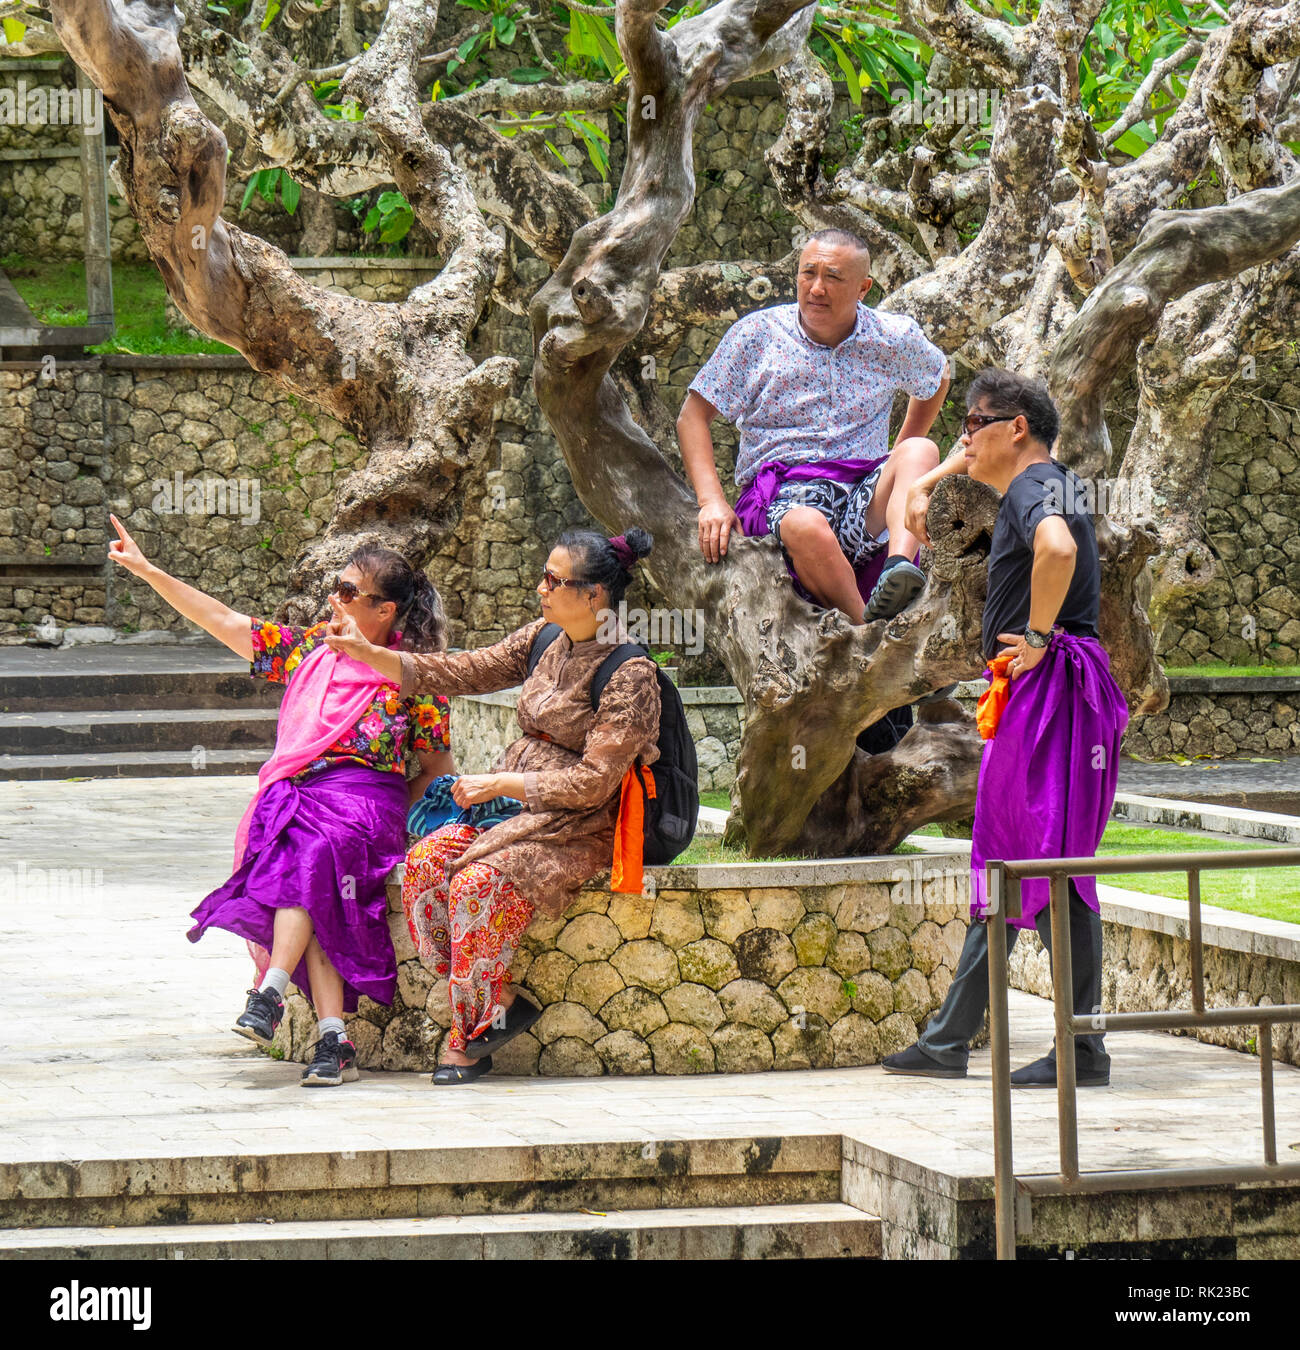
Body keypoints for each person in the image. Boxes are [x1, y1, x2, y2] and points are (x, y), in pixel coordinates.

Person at [107, 516, 454, 1087]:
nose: (332, 600)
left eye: (347, 592)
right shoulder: (309, 652)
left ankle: (271, 994)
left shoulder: (415, 679)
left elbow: (439, 771)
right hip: (304, 797)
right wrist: (148, 572)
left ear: (384, 611)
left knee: (312, 847)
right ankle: (333, 1040)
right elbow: (222, 620)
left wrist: (393, 810)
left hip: (370, 806)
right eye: (335, 588)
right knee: (306, 854)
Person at [326, 528, 663, 1085]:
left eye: (554, 580)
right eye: (544, 575)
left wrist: (503, 783)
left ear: (594, 595)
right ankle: (497, 995)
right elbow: (463, 671)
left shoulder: (630, 674)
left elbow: (595, 783)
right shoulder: (544, 639)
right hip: (512, 815)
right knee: (429, 863)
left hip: (576, 826)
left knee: (478, 885)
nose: (540, 588)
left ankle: (466, 1039)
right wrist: (374, 656)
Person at [881, 369, 1129, 1087]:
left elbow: (1057, 552)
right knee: (1020, 856)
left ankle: (1079, 1048)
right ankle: (951, 1037)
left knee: (1047, 864)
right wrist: (946, 469)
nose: (962, 436)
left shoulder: (1033, 488)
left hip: (1050, 689)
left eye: (973, 422)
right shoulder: (1057, 479)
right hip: (1061, 692)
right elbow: (925, 497)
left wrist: (1040, 638)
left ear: (1015, 428)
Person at [676, 227, 950, 626]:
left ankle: (897, 567)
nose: (817, 288)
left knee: (921, 451)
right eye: (808, 274)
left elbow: (937, 376)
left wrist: (901, 450)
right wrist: (711, 502)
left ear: (863, 287)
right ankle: (869, 634)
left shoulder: (893, 337)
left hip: (862, 497)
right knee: (805, 523)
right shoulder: (758, 334)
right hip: (784, 498)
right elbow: (692, 417)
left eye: (834, 277)